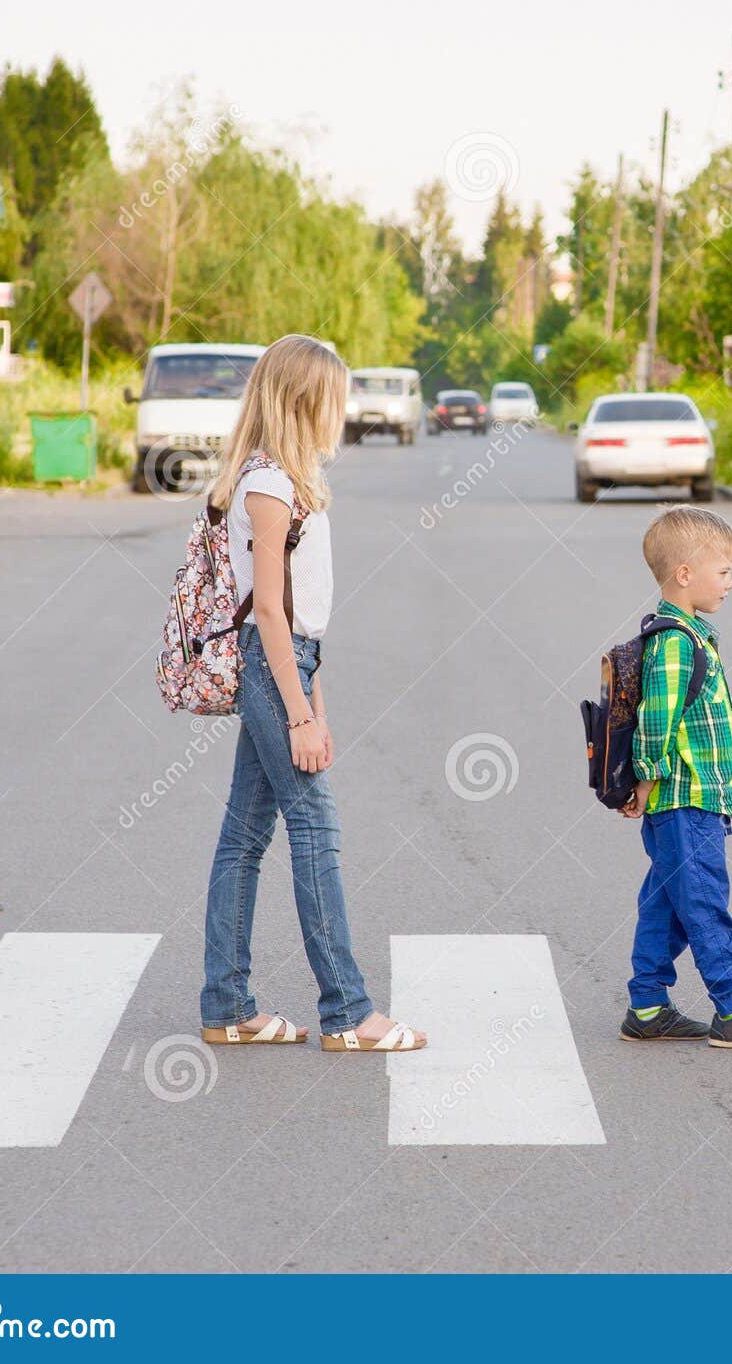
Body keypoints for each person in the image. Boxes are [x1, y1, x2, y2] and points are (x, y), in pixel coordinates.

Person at [198, 334, 425, 1054]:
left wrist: (315, 700)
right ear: (305, 401)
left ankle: (228, 1004)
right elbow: (268, 610)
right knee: (314, 829)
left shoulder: (286, 480)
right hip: (272, 667)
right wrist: (298, 712)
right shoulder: (268, 486)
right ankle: (348, 1011)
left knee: (244, 836)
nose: (344, 410)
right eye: (335, 396)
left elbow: (298, 614)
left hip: (290, 662)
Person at [618, 504, 732, 1050]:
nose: (730, 582)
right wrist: (646, 781)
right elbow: (657, 718)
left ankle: (648, 1007)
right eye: (722, 572)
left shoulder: (693, 633)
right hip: (683, 799)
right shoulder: (675, 641)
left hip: (697, 798)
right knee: (703, 902)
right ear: (685, 575)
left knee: (666, 905)